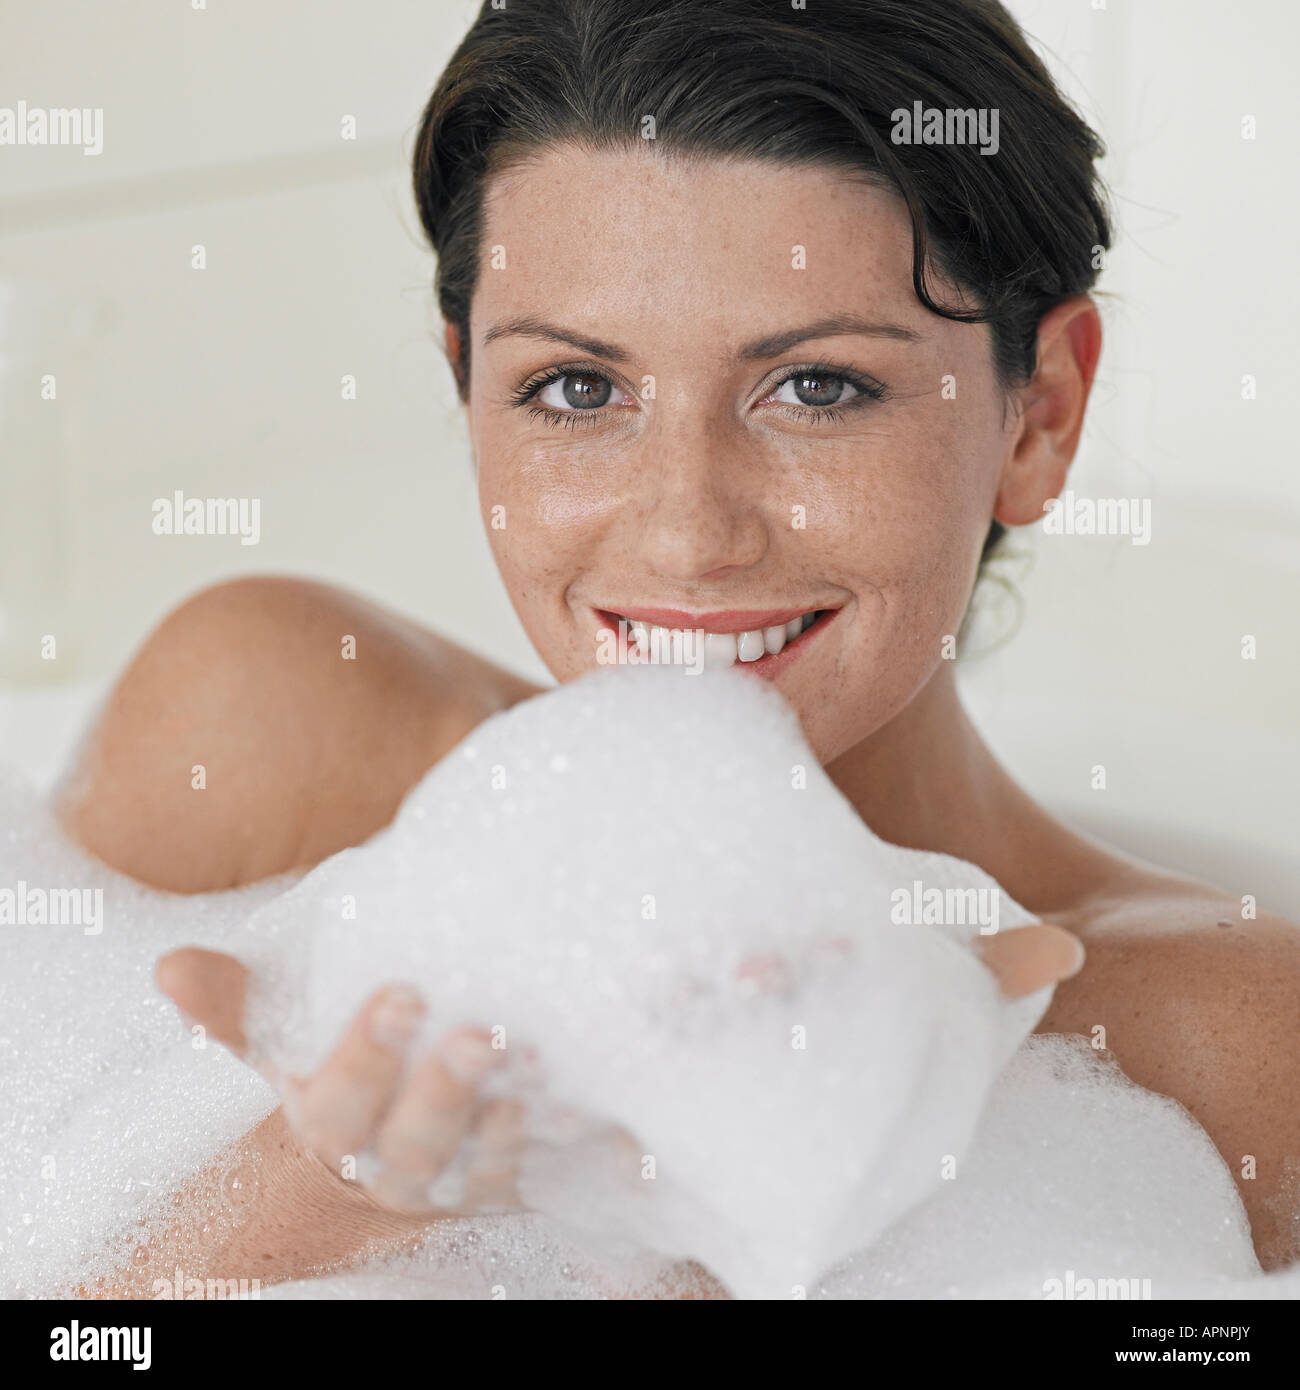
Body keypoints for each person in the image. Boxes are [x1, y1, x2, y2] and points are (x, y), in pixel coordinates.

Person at [56, 0, 1300, 1292]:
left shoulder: (1215, 1046)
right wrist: (312, 1197)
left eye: (818, 387)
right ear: (466, 383)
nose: (688, 532)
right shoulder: (265, 727)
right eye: (577, 388)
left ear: (1041, 414)